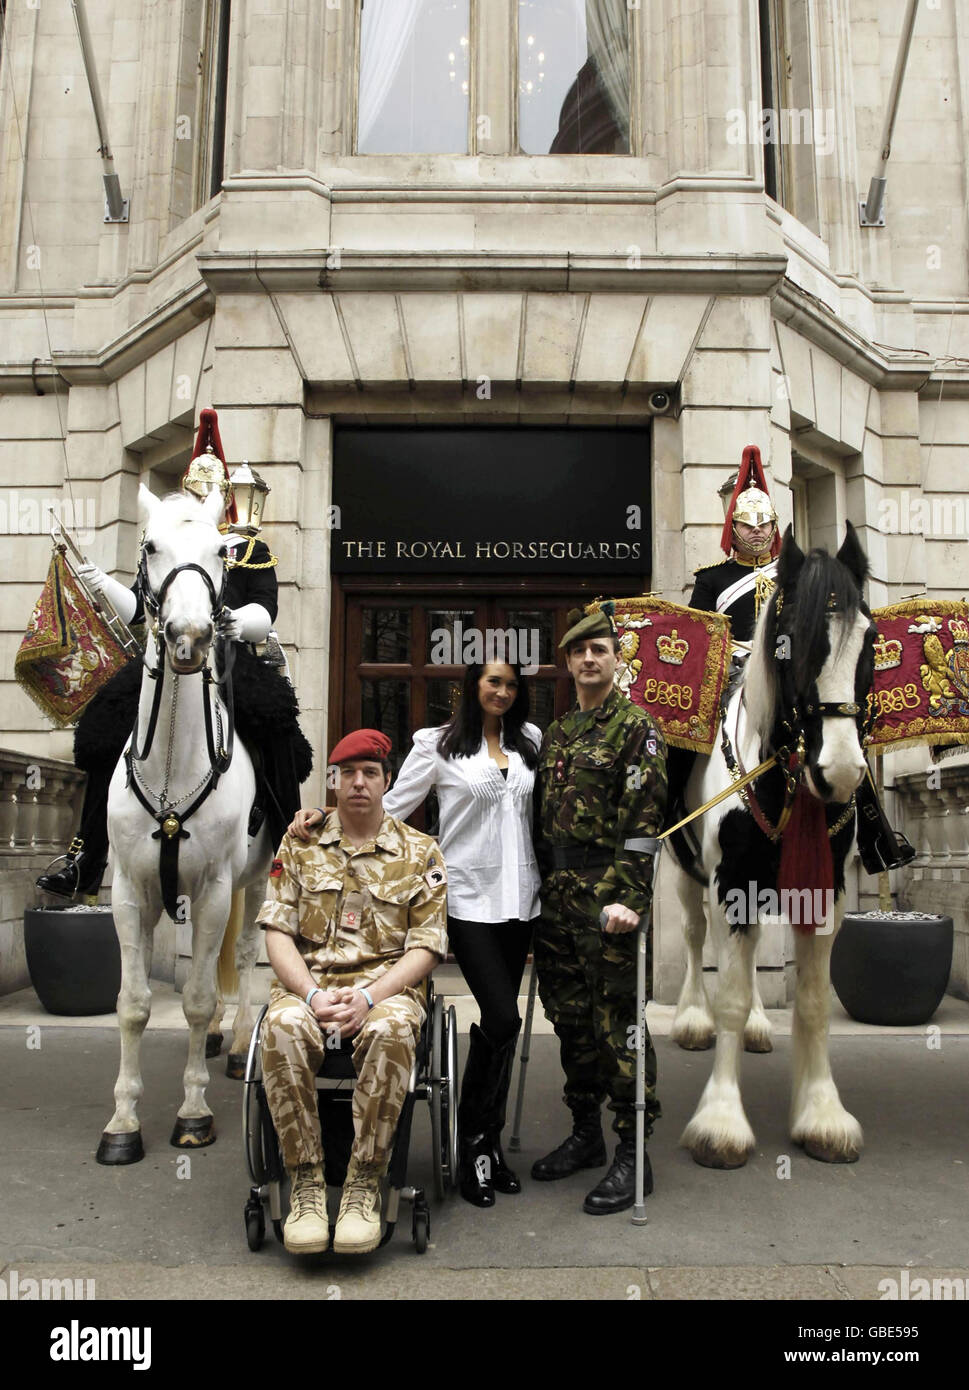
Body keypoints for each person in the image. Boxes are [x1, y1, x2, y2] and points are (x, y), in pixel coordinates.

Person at [290, 659, 541, 1209]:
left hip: (522, 900)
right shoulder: (439, 744)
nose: (501, 691)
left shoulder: (530, 742)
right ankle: (474, 1139)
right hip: (466, 900)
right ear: (472, 687)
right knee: (502, 1016)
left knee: (504, 1029)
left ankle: (491, 1142)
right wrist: (320, 818)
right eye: (492, 682)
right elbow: (393, 807)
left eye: (511, 685)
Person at [36, 409, 311, 899]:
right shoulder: (164, 541)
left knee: (276, 726)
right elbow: (143, 615)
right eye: (196, 488)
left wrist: (237, 620)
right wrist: (104, 585)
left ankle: (290, 850)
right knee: (102, 728)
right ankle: (88, 855)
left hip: (227, 653)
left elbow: (266, 614)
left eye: (211, 490)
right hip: (163, 654)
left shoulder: (247, 550)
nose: (203, 497)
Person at [258, 728, 447, 1255]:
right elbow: (278, 933)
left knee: (391, 1030)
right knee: (281, 1027)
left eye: (370, 773)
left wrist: (367, 998)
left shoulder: (420, 852)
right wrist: (313, 995)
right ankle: (307, 1185)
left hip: (384, 991)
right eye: (348, 773)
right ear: (334, 782)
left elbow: (427, 949)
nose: (359, 783)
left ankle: (365, 1182)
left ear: (388, 781)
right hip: (308, 988)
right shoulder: (299, 844)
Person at [531, 601, 667, 1216]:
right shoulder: (557, 735)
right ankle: (586, 1133)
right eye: (579, 652)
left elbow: (644, 827)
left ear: (617, 660)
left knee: (620, 1026)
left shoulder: (637, 728)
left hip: (608, 899)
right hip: (558, 899)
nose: (589, 659)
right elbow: (539, 821)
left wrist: (629, 900)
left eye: (600, 651)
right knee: (570, 1022)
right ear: (567, 662)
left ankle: (633, 1150)